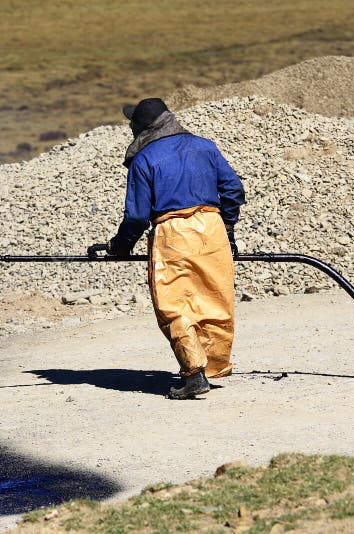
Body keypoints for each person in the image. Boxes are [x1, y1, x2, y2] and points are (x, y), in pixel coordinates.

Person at [107, 98, 245, 400]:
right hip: (212, 228)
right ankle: (214, 366)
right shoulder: (205, 147)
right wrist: (229, 229)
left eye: (132, 123)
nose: (130, 127)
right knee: (213, 297)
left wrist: (120, 246)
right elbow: (233, 189)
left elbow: (137, 216)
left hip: (174, 232)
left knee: (174, 304)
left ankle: (195, 374)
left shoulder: (144, 159)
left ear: (142, 127)